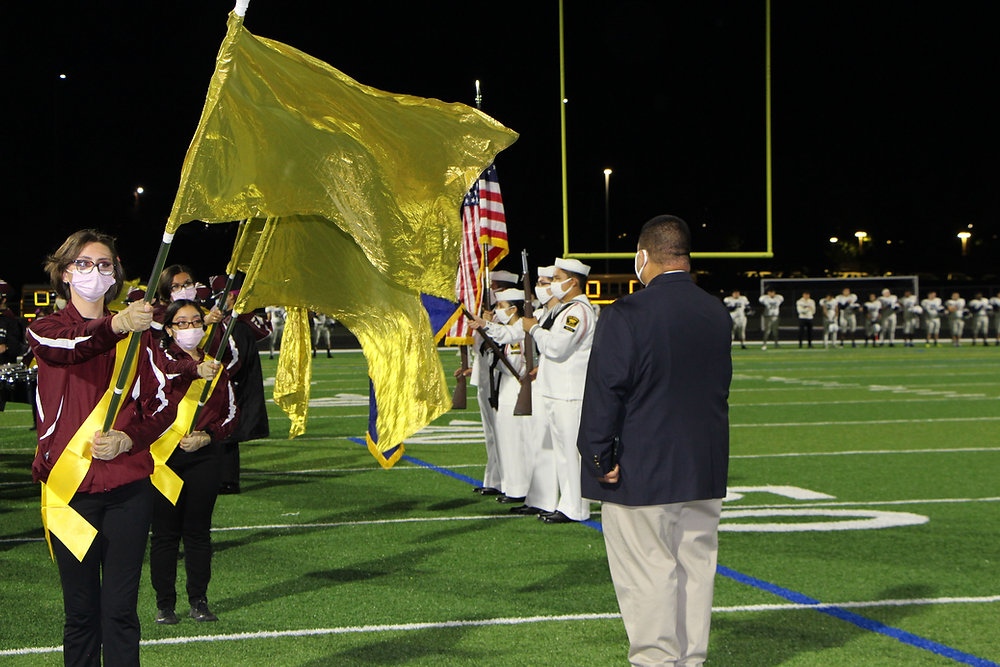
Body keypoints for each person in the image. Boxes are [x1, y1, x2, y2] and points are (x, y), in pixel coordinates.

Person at [578, 215, 731, 666]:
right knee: (695, 573)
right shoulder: (714, 310)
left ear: (643, 256)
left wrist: (597, 455)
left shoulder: (627, 312)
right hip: (702, 466)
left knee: (647, 576)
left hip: (642, 468)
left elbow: (606, 390)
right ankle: (690, 660)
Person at [27, 229, 176, 666]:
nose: (95, 272)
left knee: (120, 611)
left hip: (128, 490)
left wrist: (131, 437)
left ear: (115, 275)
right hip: (69, 492)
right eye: (84, 264)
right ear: (65, 273)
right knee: (81, 613)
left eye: (105, 264)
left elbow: (162, 403)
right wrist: (118, 324)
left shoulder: (140, 335)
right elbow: (72, 348)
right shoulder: (46, 329)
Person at [150, 299, 237, 626]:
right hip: (164, 458)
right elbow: (163, 380)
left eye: (196, 321)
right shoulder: (159, 362)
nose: (190, 328)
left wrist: (209, 436)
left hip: (204, 457)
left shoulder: (217, 368)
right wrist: (193, 369)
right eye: (182, 323)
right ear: (170, 329)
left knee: (198, 532)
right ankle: (165, 604)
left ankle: (199, 601)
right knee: (164, 533)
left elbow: (231, 414)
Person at [520, 257, 596, 524]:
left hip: (569, 393)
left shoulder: (578, 312)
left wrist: (535, 330)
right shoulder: (565, 309)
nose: (552, 284)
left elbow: (557, 348)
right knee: (563, 453)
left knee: (571, 454)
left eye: (556, 278)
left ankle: (576, 507)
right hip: (557, 391)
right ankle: (568, 503)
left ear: (572, 282)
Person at [206, 284, 271, 495]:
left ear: (233, 300)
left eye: (223, 297)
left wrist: (216, 375)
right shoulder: (234, 323)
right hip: (233, 385)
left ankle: (228, 481)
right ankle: (223, 479)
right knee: (223, 436)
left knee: (227, 436)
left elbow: (235, 359)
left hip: (234, 386)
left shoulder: (237, 325)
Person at [472, 288, 532, 505]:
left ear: (514, 309)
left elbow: (514, 365)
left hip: (513, 389)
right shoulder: (509, 330)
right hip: (503, 389)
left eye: (501, 306)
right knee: (505, 440)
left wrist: (492, 355)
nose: (497, 310)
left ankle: (518, 488)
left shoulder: (518, 331)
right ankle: (509, 486)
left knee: (514, 441)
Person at [469, 270, 518, 496]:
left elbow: (490, 346)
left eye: (494, 286)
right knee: (490, 432)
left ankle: (502, 481)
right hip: (483, 374)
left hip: (498, 377)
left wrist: (485, 325)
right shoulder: (490, 314)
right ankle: (494, 479)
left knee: (500, 432)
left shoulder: (503, 318)